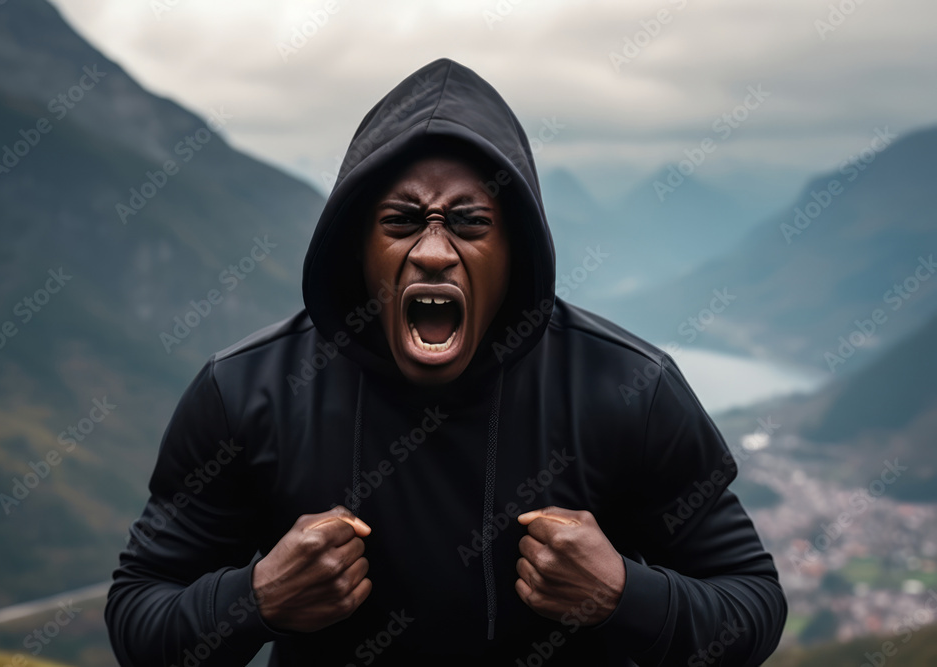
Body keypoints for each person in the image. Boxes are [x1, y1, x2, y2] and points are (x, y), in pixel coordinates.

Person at [105, 57, 787, 666]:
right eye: (401, 221)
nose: (433, 252)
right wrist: (255, 598)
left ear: (516, 249)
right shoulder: (247, 393)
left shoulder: (631, 390)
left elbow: (753, 608)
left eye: (469, 222)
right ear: (357, 245)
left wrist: (622, 594)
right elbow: (137, 616)